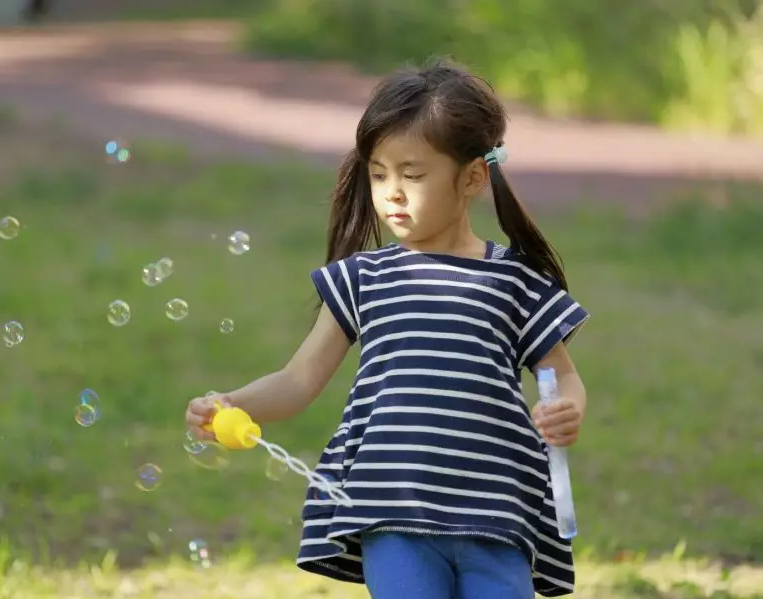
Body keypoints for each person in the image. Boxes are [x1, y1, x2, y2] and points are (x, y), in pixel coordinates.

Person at [185, 57, 589, 599]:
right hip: (392, 514)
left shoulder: (513, 281)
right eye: (379, 174)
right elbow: (298, 380)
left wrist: (567, 409)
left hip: (497, 514)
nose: (391, 192)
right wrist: (231, 403)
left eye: (413, 175)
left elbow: (563, 378)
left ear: (472, 176)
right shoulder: (363, 279)